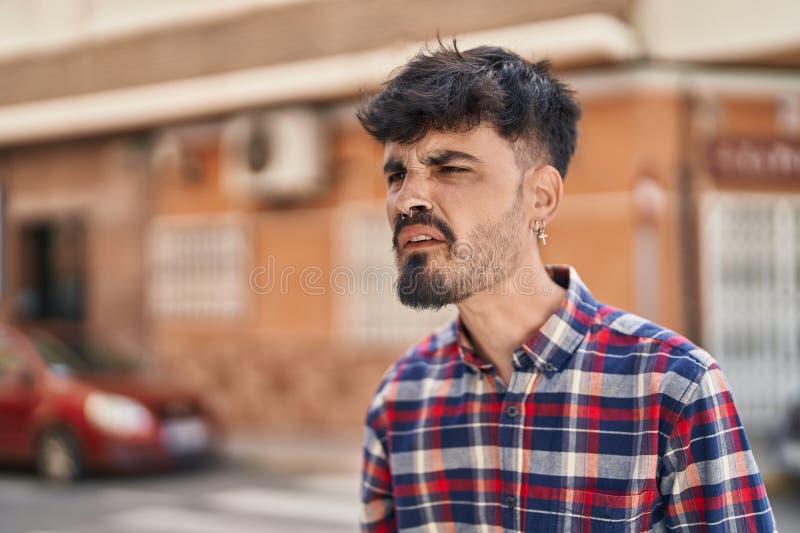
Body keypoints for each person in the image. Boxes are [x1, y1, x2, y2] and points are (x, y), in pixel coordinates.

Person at [356, 43, 776, 532]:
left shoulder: (674, 390)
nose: (407, 198)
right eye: (395, 174)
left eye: (450, 168)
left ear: (541, 197)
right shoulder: (401, 401)